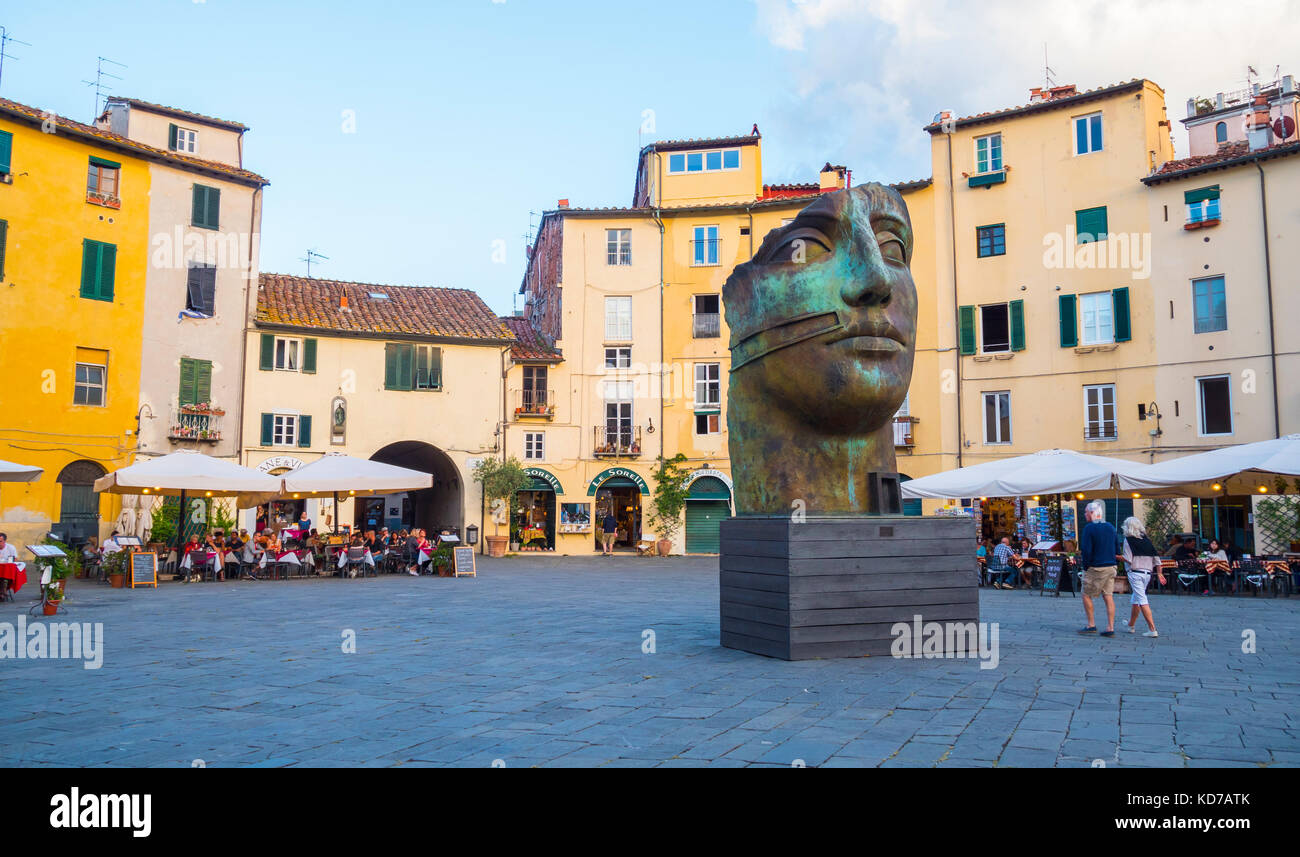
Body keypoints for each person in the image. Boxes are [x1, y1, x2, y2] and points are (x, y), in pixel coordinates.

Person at [1078, 500, 1119, 637]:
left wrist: (1086, 566)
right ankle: (1110, 627)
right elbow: (1117, 549)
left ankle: (1091, 624)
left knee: (1086, 594)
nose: (1084, 515)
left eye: (1085, 512)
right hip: (1111, 566)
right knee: (1108, 596)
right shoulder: (1111, 527)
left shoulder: (1089, 528)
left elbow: (1086, 550)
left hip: (1096, 567)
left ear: (1092, 513)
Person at [1121, 517, 1163, 638]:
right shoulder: (1147, 541)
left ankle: (1152, 629)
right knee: (1136, 599)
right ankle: (1131, 625)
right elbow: (1157, 560)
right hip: (1147, 574)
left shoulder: (1128, 540)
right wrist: (1159, 573)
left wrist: (1117, 556)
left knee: (1142, 600)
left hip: (1135, 573)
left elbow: (1128, 559)